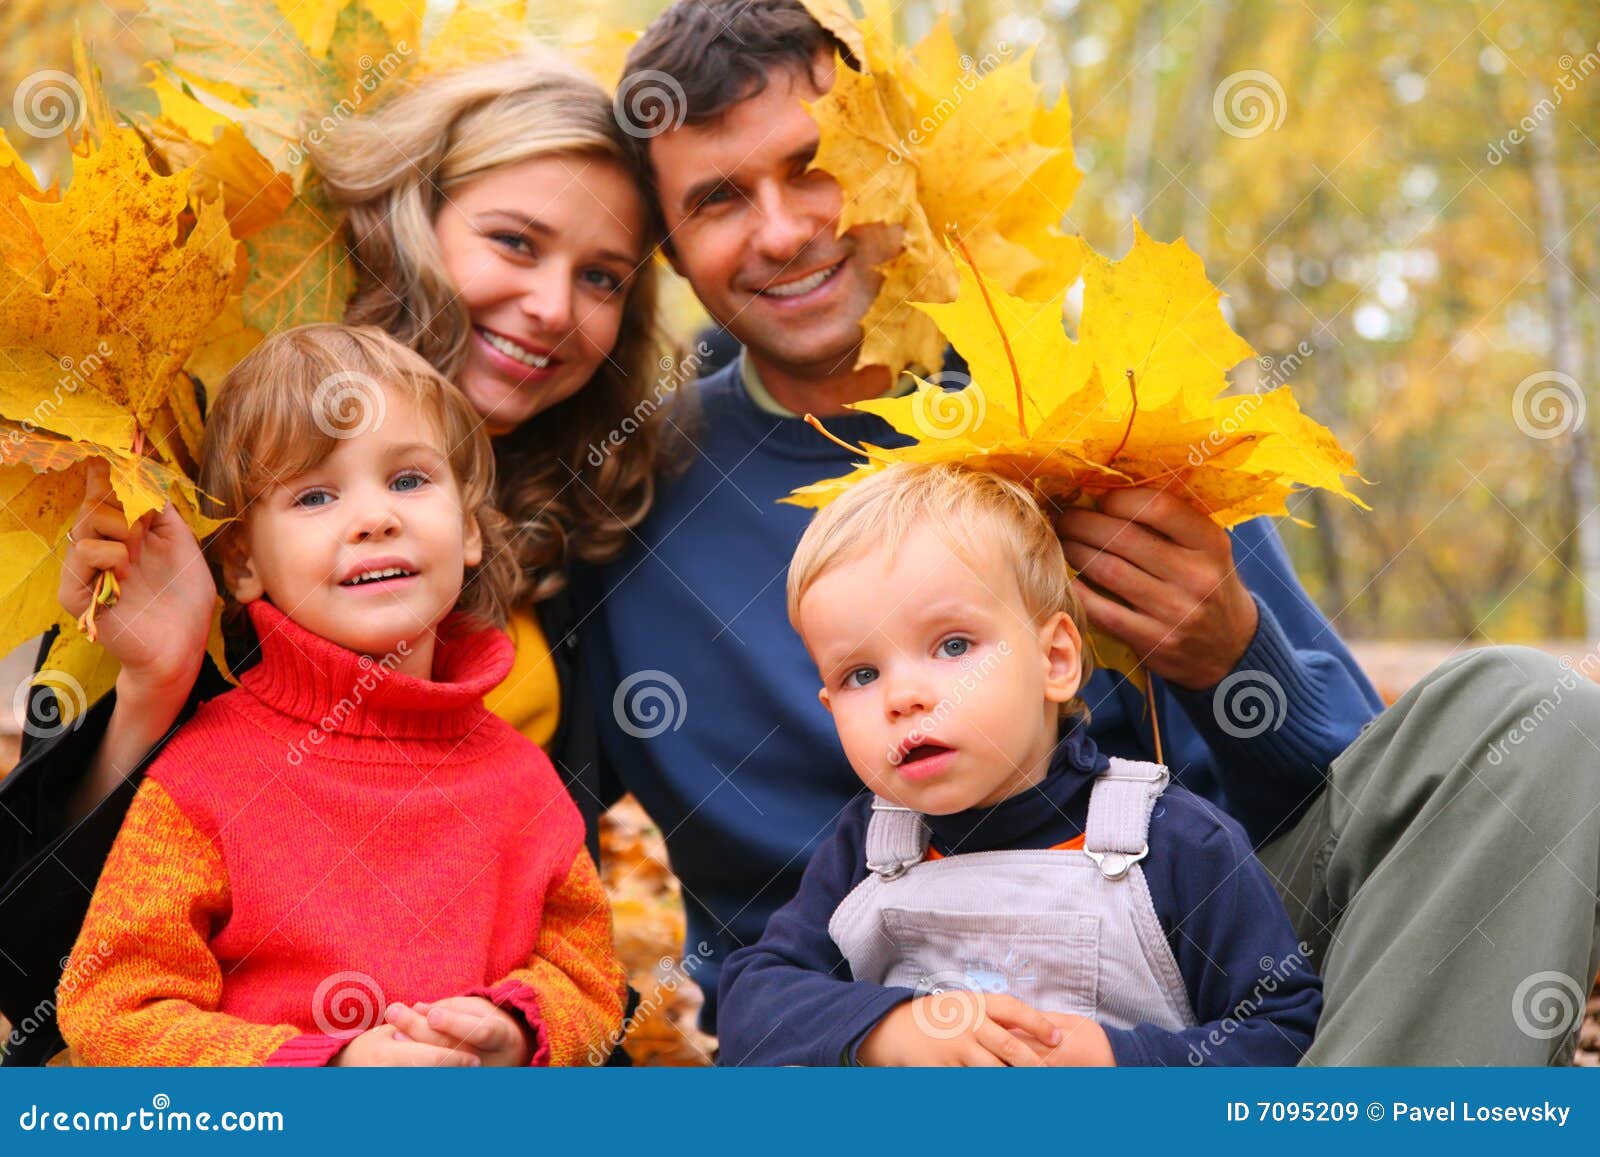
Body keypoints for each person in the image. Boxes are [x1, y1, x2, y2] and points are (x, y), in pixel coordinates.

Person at [583, 0, 1600, 1063]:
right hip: (842, 1026)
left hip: (1198, 983)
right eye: (718, 199)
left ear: (896, 161)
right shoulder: (617, 486)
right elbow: (518, 828)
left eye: (814, 165)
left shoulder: (1087, 408)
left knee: (1528, 713)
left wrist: (1231, 657)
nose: (784, 228)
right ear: (670, 249)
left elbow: (1349, 797)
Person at [1, 50, 666, 1065]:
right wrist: (158, 681)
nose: (551, 306)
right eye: (514, 242)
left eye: (602, 278)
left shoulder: (590, 525)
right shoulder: (210, 451)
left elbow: (574, 957)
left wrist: (519, 1033)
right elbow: (54, 976)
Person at [55, 324, 627, 1067]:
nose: (376, 517)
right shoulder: (205, 778)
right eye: (316, 495)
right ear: (243, 563)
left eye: (410, 480)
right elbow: (113, 1010)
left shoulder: (521, 777)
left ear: (471, 530)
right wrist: (325, 1069)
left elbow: (590, 979)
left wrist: (519, 1032)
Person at [715, 463, 1322, 1066]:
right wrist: (890, 1029)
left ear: (1055, 658)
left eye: (953, 646)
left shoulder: (1174, 843)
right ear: (829, 704)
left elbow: (1284, 1033)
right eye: (861, 675)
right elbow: (752, 1005)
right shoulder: (867, 851)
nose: (903, 698)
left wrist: (1119, 1060)